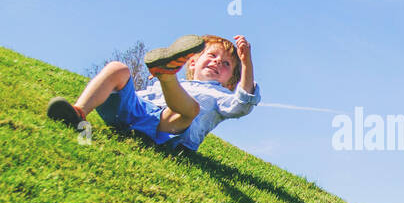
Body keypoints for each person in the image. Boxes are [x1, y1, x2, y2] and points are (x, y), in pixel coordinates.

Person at [47, 34, 259, 151]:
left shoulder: (220, 96)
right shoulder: (173, 83)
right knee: (117, 69)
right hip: (136, 113)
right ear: (192, 62)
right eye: (212, 56)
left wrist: (246, 62)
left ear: (231, 80)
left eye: (226, 64)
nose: (216, 63)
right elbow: (140, 97)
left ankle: (166, 75)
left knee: (190, 109)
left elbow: (243, 104)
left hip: (168, 131)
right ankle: (78, 114)